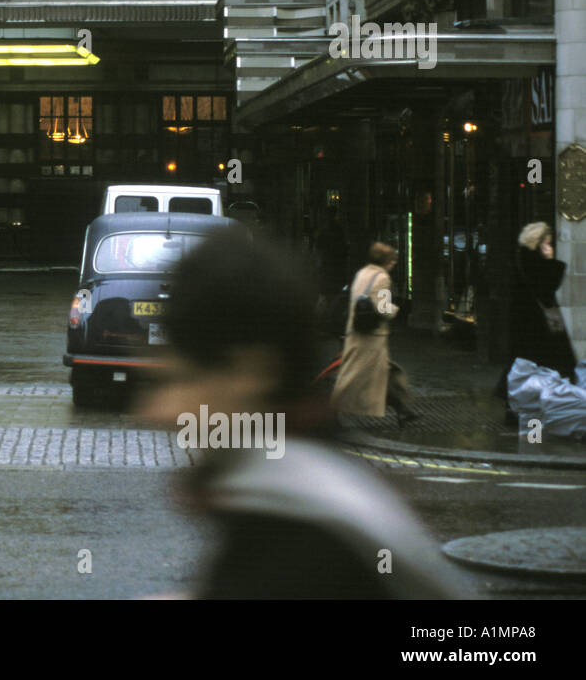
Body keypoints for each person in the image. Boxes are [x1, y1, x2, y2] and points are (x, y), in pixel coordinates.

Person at [138, 228, 467, 598]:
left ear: (252, 372)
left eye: (183, 380)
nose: (156, 411)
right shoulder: (300, 501)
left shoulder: (300, 539)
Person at [331, 242, 416, 424]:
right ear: (386, 261)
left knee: (382, 373)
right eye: (392, 260)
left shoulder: (362, 273)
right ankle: (331, 411)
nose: (393, 263)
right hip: (372, 336)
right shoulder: (382, 278)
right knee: (353, 375)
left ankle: (402, 410)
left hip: (356, 331)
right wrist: (396, 310)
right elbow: (383, 307)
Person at [497, 221, 578, 400]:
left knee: (525, 366)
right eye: (547, 243)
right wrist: (551, 261)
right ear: (538, 242)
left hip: (529, 323)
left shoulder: (523, 258)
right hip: (537, 324)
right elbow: (548, 286)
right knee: (544, 364)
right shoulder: (533, 262)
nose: (550, 247)